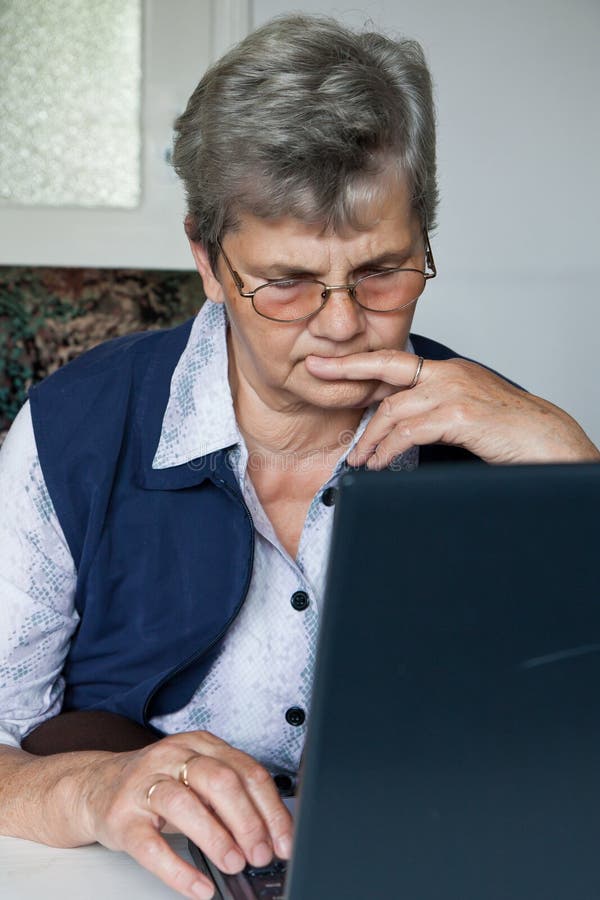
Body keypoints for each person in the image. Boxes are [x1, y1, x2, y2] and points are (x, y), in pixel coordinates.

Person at [0, 13, 598, 900]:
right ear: (208, 261)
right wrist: (93, 788)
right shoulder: (69, 429)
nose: (342, 323)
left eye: (383, 271)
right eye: (286, 283)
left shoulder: (508, 443)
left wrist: (577, 467)